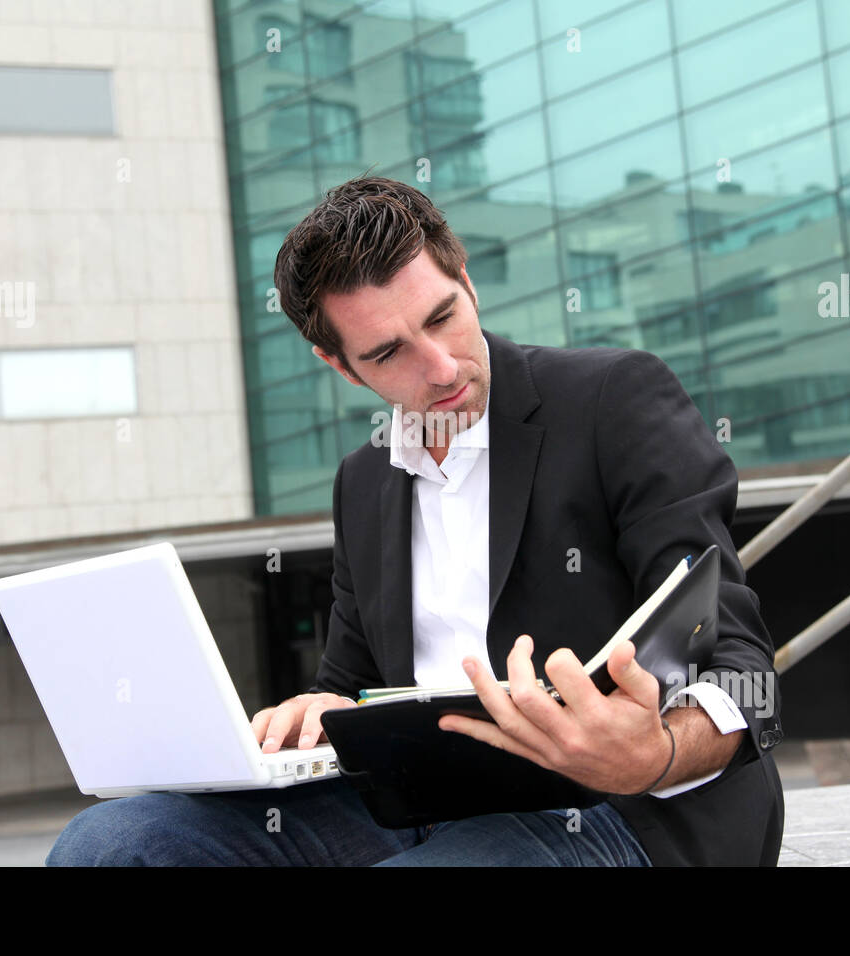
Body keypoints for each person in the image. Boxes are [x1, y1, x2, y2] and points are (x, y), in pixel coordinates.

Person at [46, 177, 784, 866]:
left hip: (608, 804)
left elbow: (744, 668)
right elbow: (353, 686)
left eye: (443, 317)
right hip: (412, 799)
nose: (439, 367)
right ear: (341, 366)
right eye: (389, 352)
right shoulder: (363, 481)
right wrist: (318, 710)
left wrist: (652, 750)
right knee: (113, 844)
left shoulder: (612, 401)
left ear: (464, 280)